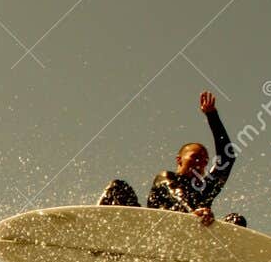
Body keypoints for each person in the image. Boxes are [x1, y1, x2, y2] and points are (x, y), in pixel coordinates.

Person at [97, 90, 246, 227]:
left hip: (193, 240)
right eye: (195, 157)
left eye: (204, 160)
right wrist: (192, 212)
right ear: (179, 160)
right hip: (150, 233)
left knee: (235, 219)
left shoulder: (205, 189)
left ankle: (229, 255)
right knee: (117, 187)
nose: (200, 162)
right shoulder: (164, 178)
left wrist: (212, 115)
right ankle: (94, 231)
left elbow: (227, 158)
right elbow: (175, 193)